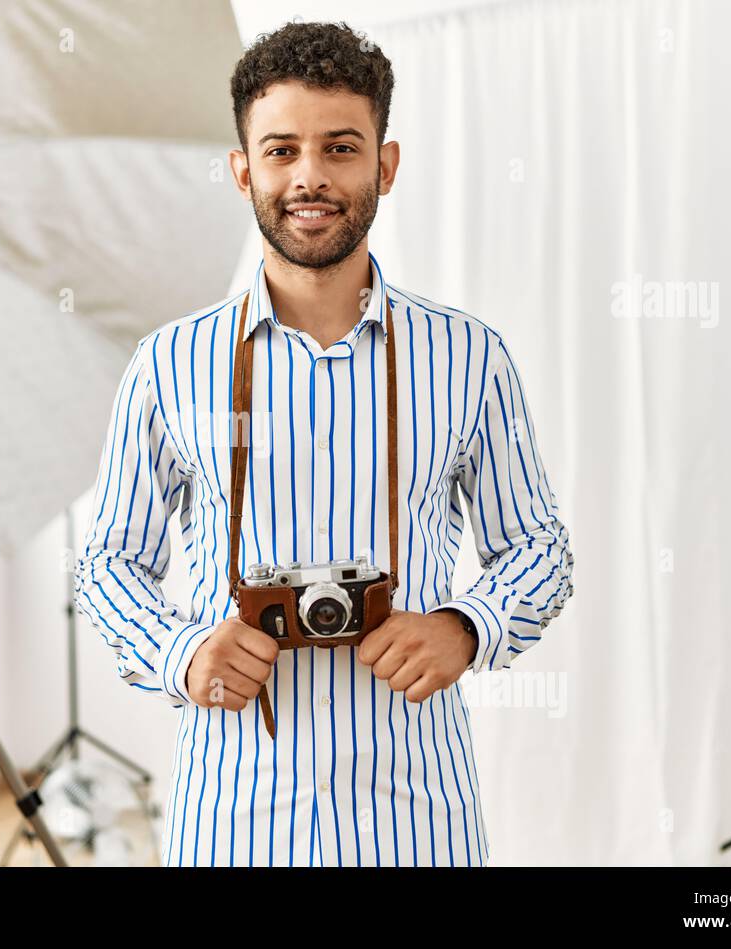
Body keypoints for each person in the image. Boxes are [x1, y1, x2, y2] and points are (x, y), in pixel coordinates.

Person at [74, 20, 574, 866]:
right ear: (243, 172)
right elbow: (106, 562)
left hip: (415, 805)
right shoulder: (169, 363)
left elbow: (538, 547)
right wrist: (181, 651)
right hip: (234, 803)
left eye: (340, 148)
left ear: (385, 165)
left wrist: (467, 624)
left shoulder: (468, 356)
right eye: (280, 151)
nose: (310, 176)